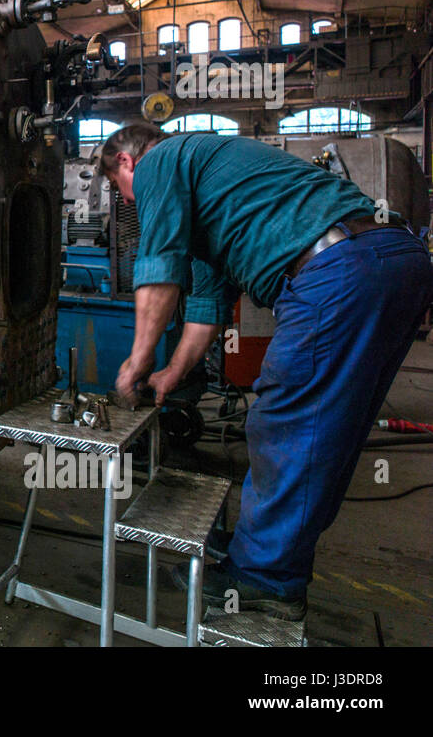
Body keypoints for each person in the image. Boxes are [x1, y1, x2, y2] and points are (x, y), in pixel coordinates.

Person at [99, 121, 433, 620]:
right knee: (328, 430)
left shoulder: (160, 161)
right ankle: (269, 556)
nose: (127, 202)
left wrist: (138, 360)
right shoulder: (210, 182)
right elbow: (206, 309)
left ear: (126, 161)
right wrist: (169, 374)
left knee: (283, 422)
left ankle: (266, 579)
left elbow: (159, 263)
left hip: (337, 269)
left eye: (119, 189)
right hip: (395, 260)